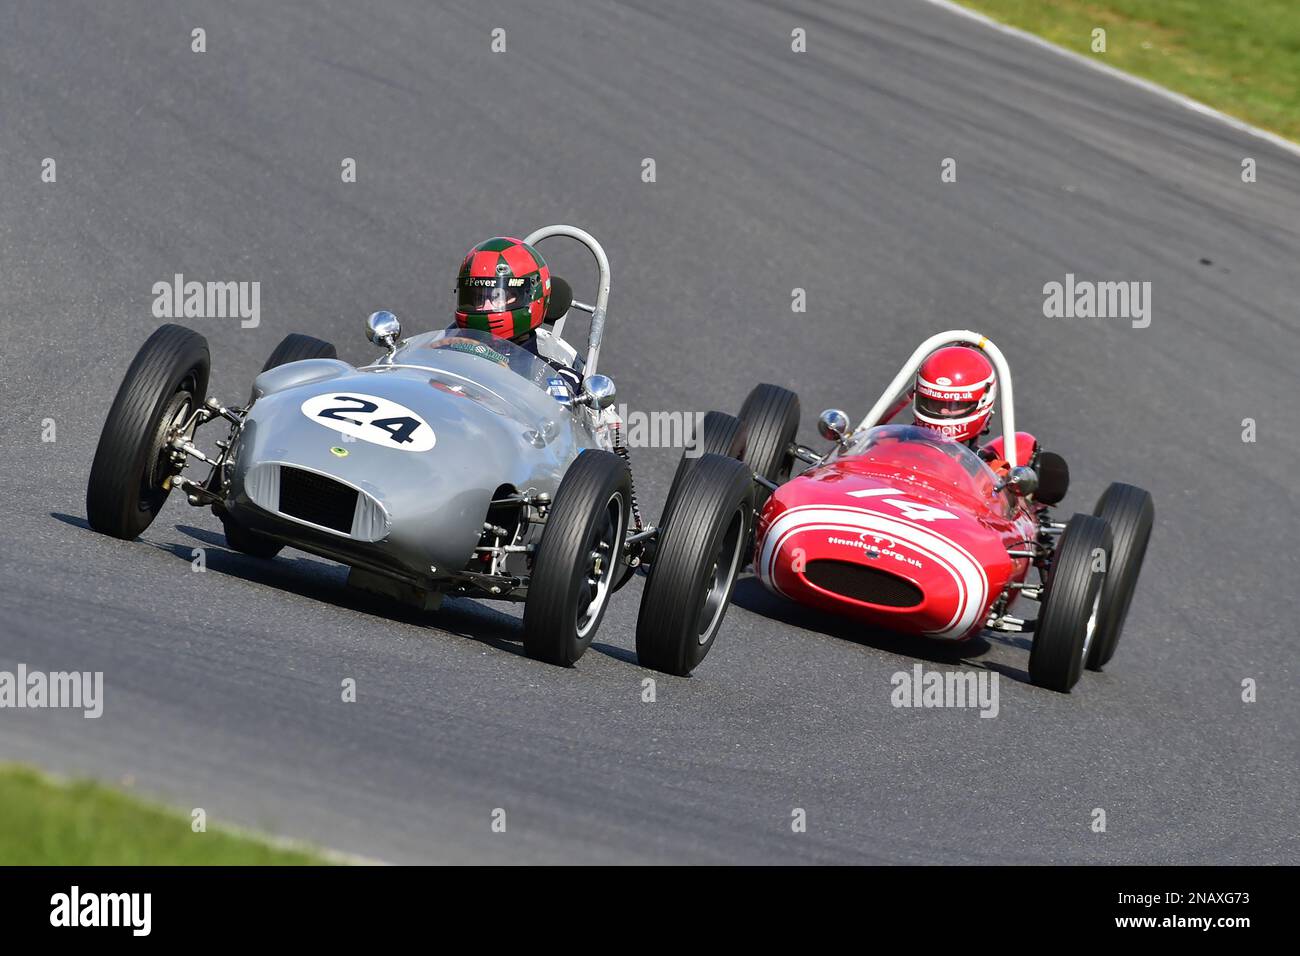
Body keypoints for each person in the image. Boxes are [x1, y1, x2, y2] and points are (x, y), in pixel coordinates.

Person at [451, 236, 583, 398]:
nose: (485, 307)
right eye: (476, 298)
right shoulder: (442, 349)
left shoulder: (557, 379)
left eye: (497, 296)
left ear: (532, 296)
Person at [910, 345, 997, 448]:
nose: (943, 411)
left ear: (984, 400)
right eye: (934, 403)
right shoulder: (893, 445)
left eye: (957, 404)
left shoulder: (991, 463)